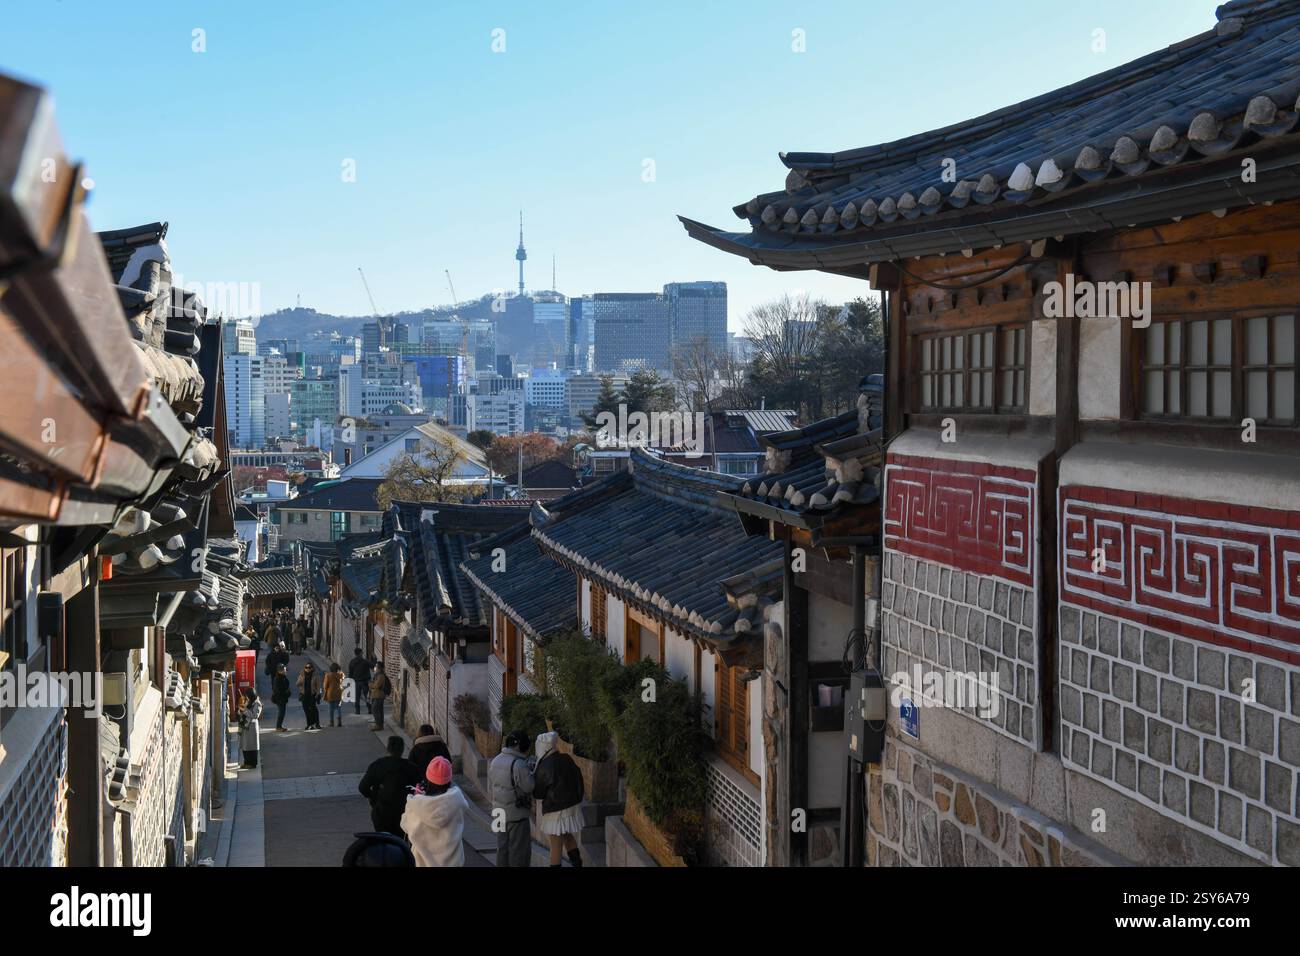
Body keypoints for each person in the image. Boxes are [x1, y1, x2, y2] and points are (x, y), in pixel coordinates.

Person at [401, 756, 467, 867]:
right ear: (449, 778)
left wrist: (417, 798)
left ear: (428, 777)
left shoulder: (417, 805)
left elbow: (405, 825)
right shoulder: (457, 801)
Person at [532, 731, 585, 867]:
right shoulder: (566, 758)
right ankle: (577, 864)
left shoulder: (543, 766)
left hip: (555, 809)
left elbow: (538, 793)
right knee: (567, 834)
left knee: (555, 844)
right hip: (572, 804)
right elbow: (578, 777)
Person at [488, 729, 536, 867]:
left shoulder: (495, 760)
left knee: (502, 849)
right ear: (520, 746)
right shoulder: (519, 764)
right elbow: (530, 786)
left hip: (499, 812)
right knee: (518, 852)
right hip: (516, 814)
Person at [358, 736, 421, 837]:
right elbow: (419, 790)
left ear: (388, 748)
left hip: (382, 812)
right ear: (402, 749)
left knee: (384, 841)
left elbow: (362, 787)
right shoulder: (411, 768)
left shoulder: (377, 766)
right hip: (404, 812)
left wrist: (374, 798)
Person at [238, 687, 262, 768]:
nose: (246, 697)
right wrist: (241, 710)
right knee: (245, 745)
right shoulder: (249, 702)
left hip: (251, 727)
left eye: (247, 696)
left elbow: (255, 715)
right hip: (245, 726)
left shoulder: (257, 703)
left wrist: (244, 710)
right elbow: (245, 711)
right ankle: (246, 762)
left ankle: (252, 764)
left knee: (252, 746)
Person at [297, 661, 322, 730]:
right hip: (304, 695)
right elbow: (297, 684)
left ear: (312, 668)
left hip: (312, 695)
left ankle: (317, 723)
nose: (307, 669)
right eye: (306, 667)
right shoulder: (302, 675)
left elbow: (318, 686)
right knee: (306, 711)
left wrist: (318, 694)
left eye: (309, 667)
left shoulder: (315, 675)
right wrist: (301, 679)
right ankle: (309, 724)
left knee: (314, 710)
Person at [348, 647, 372, 716]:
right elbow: (373, 666)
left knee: (357, 697)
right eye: (362, 653)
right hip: (365, 682)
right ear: (360, 653)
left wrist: (350, 682)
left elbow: (350, 673)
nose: (362, 654)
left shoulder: (352, 662)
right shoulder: (365, 661)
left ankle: (357, 711)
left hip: (356, 682)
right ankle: (370, 709)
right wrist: (374, 659)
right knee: (367, 696)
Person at [368, 663, 392, 731]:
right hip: (377, 694)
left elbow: (376, 685)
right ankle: (380, 725)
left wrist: (370, 684)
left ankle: (378, 725)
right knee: (379, 710)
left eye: (376, 667)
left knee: (374, 709)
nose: (375, 668)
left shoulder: (381, 676)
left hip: (379, 695)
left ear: (379, 668)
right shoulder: (378, 675)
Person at [271, 663, 291, 732]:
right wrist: (286, 692)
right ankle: (278, 726)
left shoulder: (282, 676)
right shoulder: (278, 678)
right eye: (284, 670)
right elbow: (278, 690)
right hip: (280, 699)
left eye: (285, 669)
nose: (285, 671)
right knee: (281, 712)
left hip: (282, 698)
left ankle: (279, 726)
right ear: (280, 671)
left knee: (282, 712)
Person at [323, 662, 345, 727]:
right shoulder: (340, 675)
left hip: (331, 693)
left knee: (331, 708)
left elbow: (325, 685)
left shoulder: (328, 675)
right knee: (339, 707)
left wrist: (325, 689)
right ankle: (339, 721)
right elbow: (343, 680)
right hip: (339, 692)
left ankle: (331, 722)